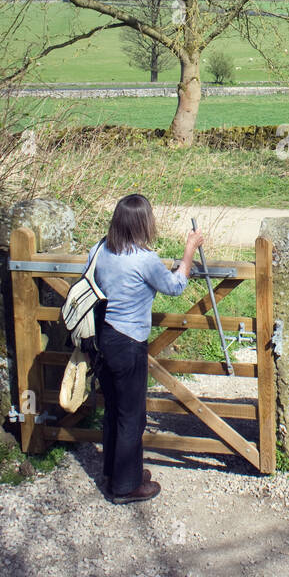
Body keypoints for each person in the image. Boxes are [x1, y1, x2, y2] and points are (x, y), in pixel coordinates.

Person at [87, 194, 203, 503]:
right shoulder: (144, 258)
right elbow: (175, 287)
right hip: (128, 342)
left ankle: (116, 472)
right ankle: (126, 487)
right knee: (131, 415)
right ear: (143, 223)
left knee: (113, 408)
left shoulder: (99, 249)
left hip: (102, 338)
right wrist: (189, 251)